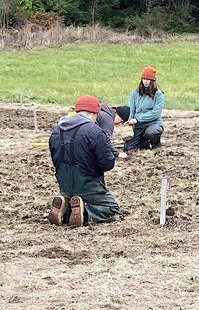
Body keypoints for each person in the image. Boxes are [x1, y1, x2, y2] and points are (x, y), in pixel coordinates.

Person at [48, 95, 119, 226]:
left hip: (64, 185)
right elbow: (108, 164)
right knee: (111, 208)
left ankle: (65, 207)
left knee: (74, 198)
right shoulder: (95, 131)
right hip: (88, 186)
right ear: (94, 113)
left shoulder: (56, 131)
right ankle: (85, 212)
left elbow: (55, 160)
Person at [115, 68, 164, 152]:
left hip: (153, 123)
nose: (145, 81)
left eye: (148, 79)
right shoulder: (135, 93)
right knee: (128, 148)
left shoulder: (159, 95)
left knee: (152, 132)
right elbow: (131, 109)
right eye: (144, 79)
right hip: (138, 125)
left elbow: (155, 113)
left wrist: (137, 119)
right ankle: (143, 141)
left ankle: (156, 145)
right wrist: (129, 121)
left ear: (152, 81)